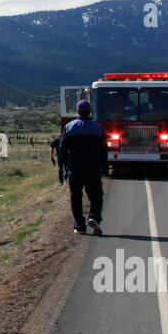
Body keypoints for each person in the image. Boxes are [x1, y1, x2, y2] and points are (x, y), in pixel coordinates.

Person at [60, 99, 107, 235]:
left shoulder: (69, 127)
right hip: (92, 167)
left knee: (76, 196)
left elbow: (63, 148)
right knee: (96, 195)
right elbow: (104, 149)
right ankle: (94, 217)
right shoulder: (98, 128)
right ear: (90, 111)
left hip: (75, 168)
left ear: (78, 112)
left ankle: (79, 225)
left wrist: (65, 165)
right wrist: (102, 165)